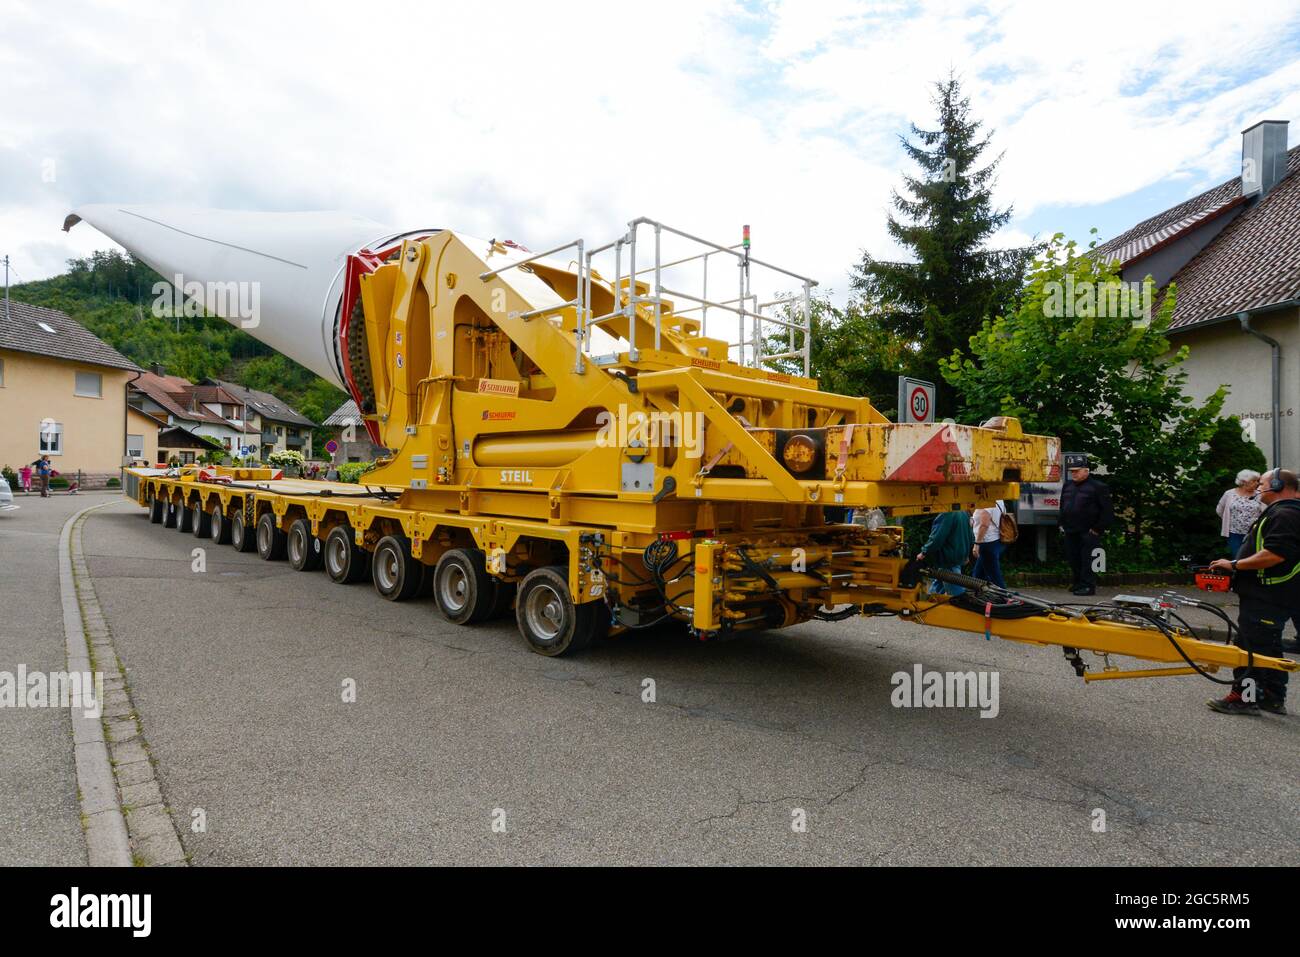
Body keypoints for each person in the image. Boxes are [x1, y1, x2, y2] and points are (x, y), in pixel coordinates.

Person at [1206, 468, 1300, 716]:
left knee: (1251, 647)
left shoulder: (1286, 514)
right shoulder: (1284, 512)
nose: (1258, 487)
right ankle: (1271, 696)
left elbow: (1274, 554)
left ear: (1279, 485)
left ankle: (1244, 699)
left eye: (1263, 483)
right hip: (1270, 593)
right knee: (1268, 646)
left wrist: (1234, 565)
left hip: (1267, 594)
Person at [1059, 453, 1113, 596]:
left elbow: (1107, 510)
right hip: (1071, 529)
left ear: (1086, 470)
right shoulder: (1068, 485)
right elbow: (1063, 505)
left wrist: (1097, 528)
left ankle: (1088, 586)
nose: (1074, 474)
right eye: (1072, 472)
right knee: (1073, 557)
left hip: (1089, 530)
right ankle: (1078, 583)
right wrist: (1062, 522)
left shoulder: (1098, 487)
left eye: (1077, 471)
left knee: (1088, 559)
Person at [917, 510, 975, 596]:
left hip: (948, 559)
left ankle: (965, 606)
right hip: (957, 557)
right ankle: (930, 603)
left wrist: (924, 552)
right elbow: (971, 536)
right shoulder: (963, 512)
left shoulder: (947, 514)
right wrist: (966, 554)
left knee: (957, 596)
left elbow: (937, 537)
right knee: (937, 587)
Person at [1216, 470, 1263, 557]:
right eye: (1254, 481)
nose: (1257, 483)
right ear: (1244, 482)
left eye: (1257, 481)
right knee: (1238, 558)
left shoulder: (1260, 494)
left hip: (1254, 533)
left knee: (1254, 557)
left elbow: (1266, 511)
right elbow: (1220, 510)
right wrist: (1229, 520)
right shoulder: (1229, 494)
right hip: (1234, 533)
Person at [971, 500, 1007, 588]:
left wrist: (977, 544)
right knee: (978, 575)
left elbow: (984, 525)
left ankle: (1006, 597)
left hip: (986, 543)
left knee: (994, 576)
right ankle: (981, 596)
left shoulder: (987, 504)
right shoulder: (1000, 500)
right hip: (996, 540)